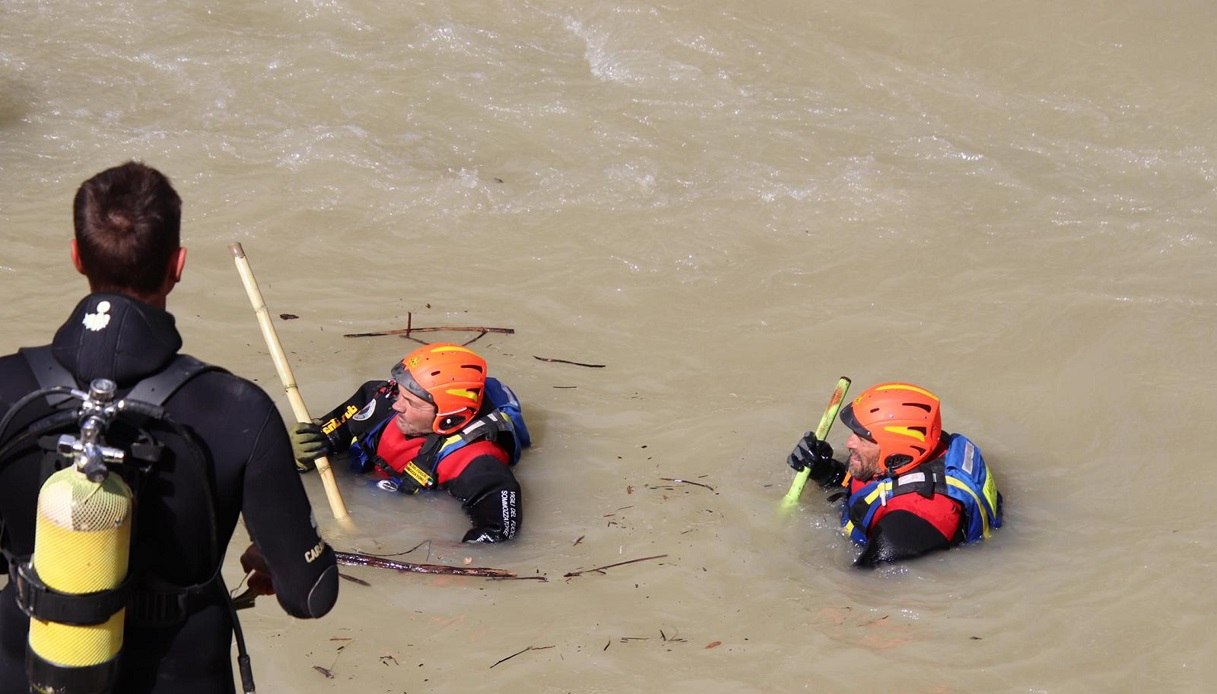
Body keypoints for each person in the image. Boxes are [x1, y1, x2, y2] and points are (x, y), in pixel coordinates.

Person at [0, 161, 338, 693]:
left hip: (24, 669)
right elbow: (311, 594)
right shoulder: (238, 409)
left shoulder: (7, 386)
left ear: (75, 256)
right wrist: (279, 554)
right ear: (177, 265)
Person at [290, 342, 530, 543]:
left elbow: (498, 537)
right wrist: (300, 454)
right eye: (400, 393)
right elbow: (325, 440)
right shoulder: (379, 398)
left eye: (412, 403)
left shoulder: (477, 465)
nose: (397, 406)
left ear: (448, 418)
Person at [787, 382, 1003, 568]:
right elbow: (870, 486)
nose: (849, 443)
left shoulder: (905, 528)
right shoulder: (914, 452)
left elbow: (858, 589)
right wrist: (823, 470)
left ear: (895, 450)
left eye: (862, 438)